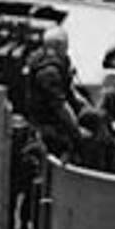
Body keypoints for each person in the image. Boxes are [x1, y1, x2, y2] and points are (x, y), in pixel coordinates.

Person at [24, 26, 89, 158]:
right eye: (66, 45)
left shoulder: (59, 62)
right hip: (47, 125)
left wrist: (88, 108)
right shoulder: (49, 72)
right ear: (59, 45)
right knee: (88, 142)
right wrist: (77, 132)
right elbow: (61, 107)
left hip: (58, 120)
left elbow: (71, 92)